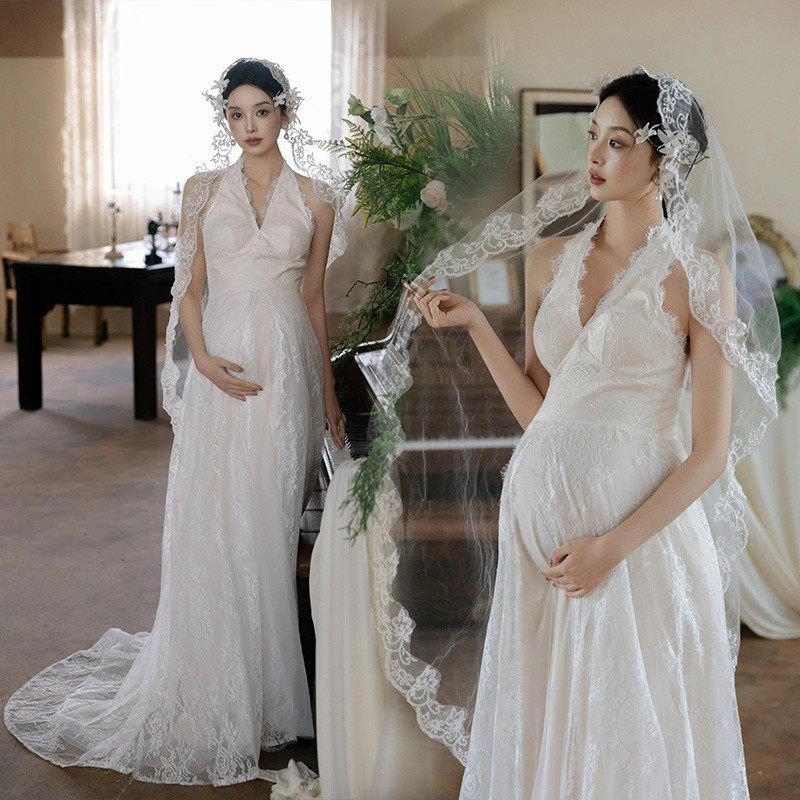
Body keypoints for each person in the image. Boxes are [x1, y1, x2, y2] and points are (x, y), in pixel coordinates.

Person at [382, 67, 779, 798]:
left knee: (625, 733)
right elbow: (544, 413)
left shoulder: (699, 277)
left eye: (617, 142)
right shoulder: (549, 261)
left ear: (664, 161)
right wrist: (475, 327)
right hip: (540, 537)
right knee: (548, 723)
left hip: (636, 545)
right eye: (593, 135)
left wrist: (610, 549)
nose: (593, 154)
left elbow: (709, 453)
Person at [4, 57, 347, 786]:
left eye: (261, 111)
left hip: (285, 370)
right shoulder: (202, 191)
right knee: (214, 519)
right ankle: (210, 682)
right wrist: (204, 360)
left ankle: (263, 695)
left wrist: (329, 394)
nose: (249, 126)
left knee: (266, 523)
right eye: (236, 114)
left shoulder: (318, 198)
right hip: (222, 362)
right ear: (225, 120)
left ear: (284, 112)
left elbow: (315, 300)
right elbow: (187, 289)